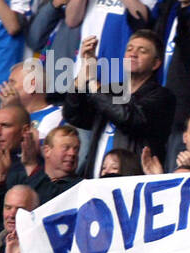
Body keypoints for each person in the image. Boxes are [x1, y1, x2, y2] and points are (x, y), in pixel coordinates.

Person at [64, 29, 175, 175]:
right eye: (129, 49)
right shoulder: (110, 91)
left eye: (142, 51)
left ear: (155, 64)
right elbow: (73, 115)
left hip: (131, 184)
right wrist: (84, 72)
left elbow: (127, 117)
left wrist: (93, 83)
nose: (133, 54)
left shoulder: (162, 97)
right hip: (96, 180)